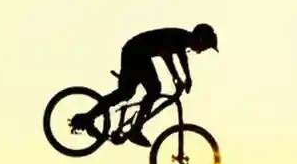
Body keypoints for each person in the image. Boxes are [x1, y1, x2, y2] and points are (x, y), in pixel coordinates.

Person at [72, 23, 218, 147]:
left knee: (125, 93)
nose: (202, 50)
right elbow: (168, 55)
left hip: (132, 51)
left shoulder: (182, 39)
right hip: (137, 53)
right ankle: (136, 129)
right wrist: (179, 78)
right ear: (201, 39)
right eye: (205, 46)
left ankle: (88, 118)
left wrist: (184, 78)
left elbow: (179, 58)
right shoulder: (182, 38)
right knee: (154, 89)